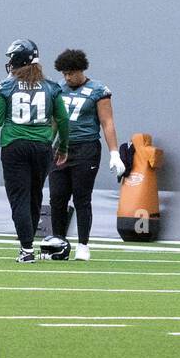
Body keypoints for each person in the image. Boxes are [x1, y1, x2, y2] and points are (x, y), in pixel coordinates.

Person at [0, 39, 70, 263]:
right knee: (35, 195)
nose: (9, 63)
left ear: (18, 60)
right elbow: (62, 119)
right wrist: (63, 145)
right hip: (42, 147)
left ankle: (26, 248)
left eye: (12, 58)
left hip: (14, 146)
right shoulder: (51, 86)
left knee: (19, 198)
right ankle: (28, 245)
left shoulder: (7, 86)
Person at [48, 49, 122, 262]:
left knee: (81, 198)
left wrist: (114, 153)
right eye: (64, 73)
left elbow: (107, 123)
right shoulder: (58, 89)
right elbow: (54, 122)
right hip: (60, 149)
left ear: (81, 70)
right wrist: (46, 146)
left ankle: (83, 244)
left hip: (86, 148)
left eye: (70, 73)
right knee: (57, 198)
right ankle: (59, 243)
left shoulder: (97, 90)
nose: (67, 77)